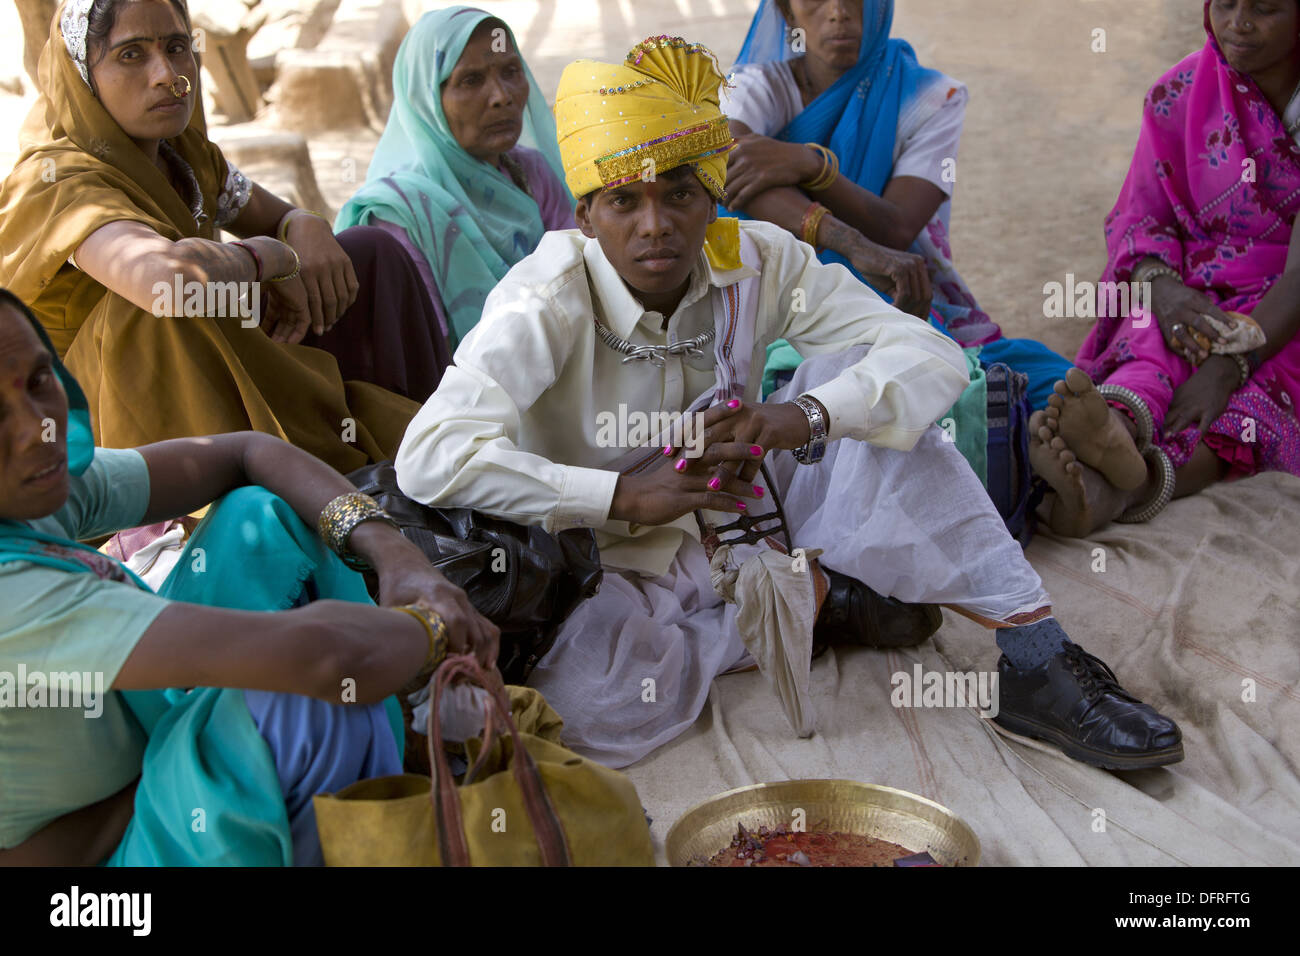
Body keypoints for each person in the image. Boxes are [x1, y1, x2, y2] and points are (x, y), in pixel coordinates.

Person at [394, 36, 1184, 773]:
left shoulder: (755, 260)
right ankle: (820, 600)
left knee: (872, 407)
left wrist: (797, 418)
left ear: (713, 201)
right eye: (624, 202)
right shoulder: (545, 300)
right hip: (607, 559)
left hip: (747, 510)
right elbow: (430, 455)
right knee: (587, 705)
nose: (655, 227)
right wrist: (626, 493)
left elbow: (929, 352)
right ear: (585, 214)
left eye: (678, 195)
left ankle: (1037, 659)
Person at [0, 289, 498, 866]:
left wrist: (401, 560)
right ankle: (364, 815)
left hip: (146, 772)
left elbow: (244, 453)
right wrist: (435, 626)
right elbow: (328, 662)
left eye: (39, 380)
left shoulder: (27, 489)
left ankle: (379, 753)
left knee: (259, 521)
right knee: (314, 703)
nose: (38, 429)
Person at [0, 0, 449, 474]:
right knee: (158, 306)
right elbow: (163, 281)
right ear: (82, 76)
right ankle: (217, 503)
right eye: (131, 55)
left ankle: (429, 443)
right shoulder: (54, 179)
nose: (167, 74)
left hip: (217, 361)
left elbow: (281, 217)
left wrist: (305, 224)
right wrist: (270, 256)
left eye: (177, 48)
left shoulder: (183, 155)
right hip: (105, 422)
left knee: (368, 252)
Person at [719, 0, 1071, 409]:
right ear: (787, 13)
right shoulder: (758, 85)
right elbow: (727, 165)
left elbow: (898, 226)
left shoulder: (930, 96)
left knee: (1037, 378)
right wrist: (851, 244)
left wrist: (813, 166)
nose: (838, 12)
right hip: (783, 291)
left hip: (889, 287)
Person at [1032, 0, 1300, 537]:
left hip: (1286, 305)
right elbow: (1142, 217)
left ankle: (1123, 486)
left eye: (1265, 8)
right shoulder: (1177, 94)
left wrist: (1229, 369)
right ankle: (1116, 428)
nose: (1238, 23)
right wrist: (1166, 291)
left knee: (1247, 403)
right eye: (1225, 4)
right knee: (1150, 339)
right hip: (1194, 287)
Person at [336, 7, 575, 353]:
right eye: (471, 80)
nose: (502, 96)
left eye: (511, 71)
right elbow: (427, 348)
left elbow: (582, 284)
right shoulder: (401, 214)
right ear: (428, 98)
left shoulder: (533, 175)